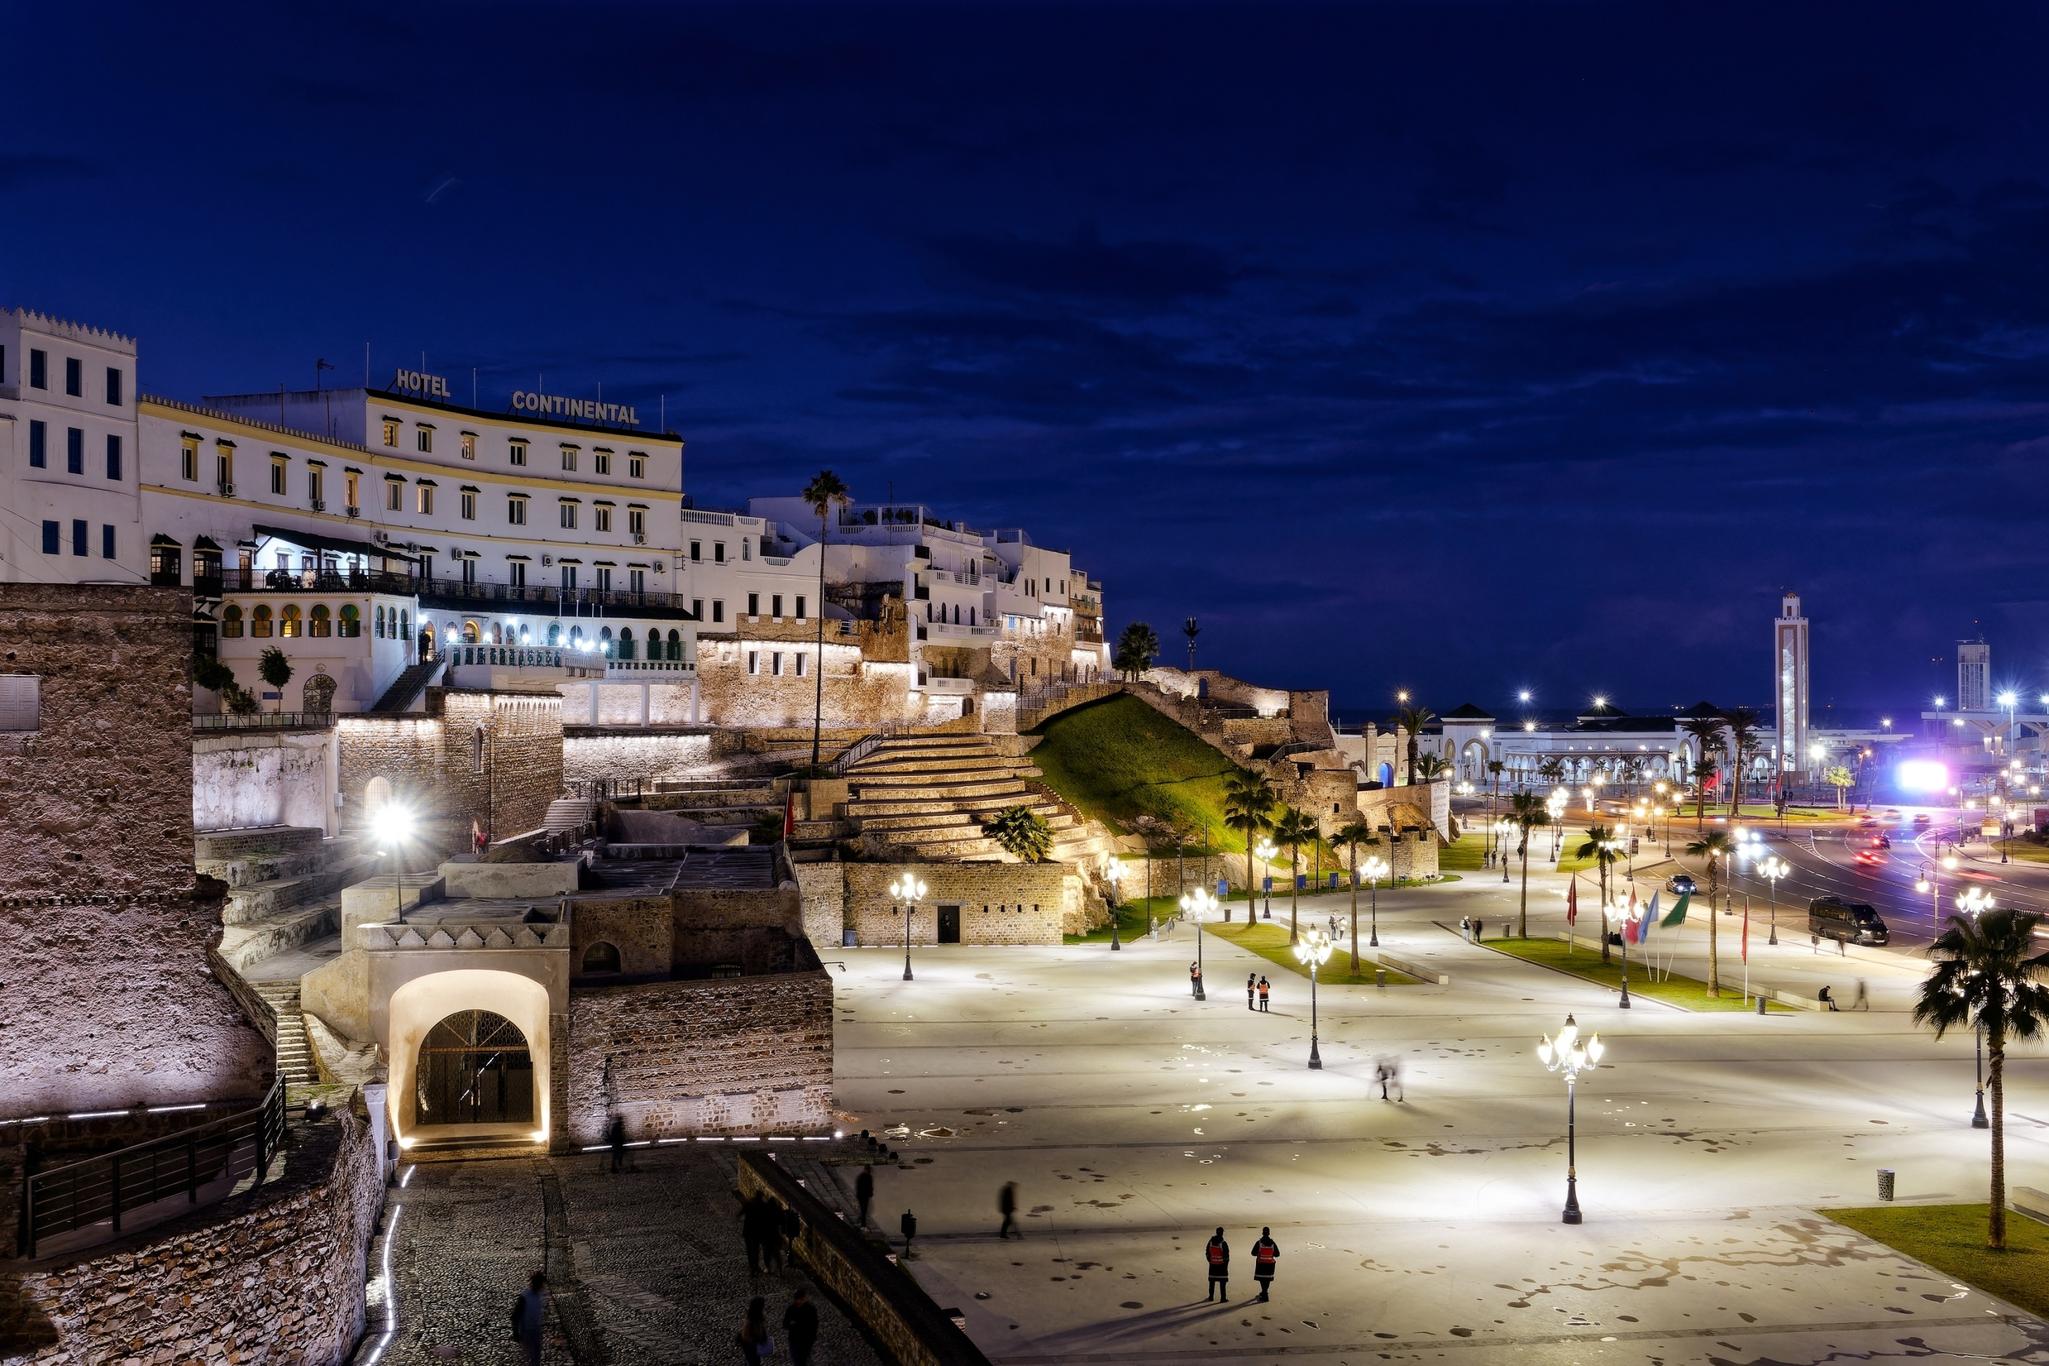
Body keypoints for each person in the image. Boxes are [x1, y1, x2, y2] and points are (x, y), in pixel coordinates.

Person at [511, 1270, 547, 1366]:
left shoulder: (539, 1295)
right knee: (532, 1358)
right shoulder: (524, 1297)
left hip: (536, 1330)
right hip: (526, 1332)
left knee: (536, 1358)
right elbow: (515, 1316)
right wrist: (515, 1332)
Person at [782, 1287, 819, 1366]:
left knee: (802, 1360)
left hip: (806, 1340)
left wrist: (812, 1337)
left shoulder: (810, 1309)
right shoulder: (791, 1309)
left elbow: (814, 1324)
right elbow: (785, 1324)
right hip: (795, 1339)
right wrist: (792, 1325)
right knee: (798, 1360)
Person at [737, 1295, 773, 1363]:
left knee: (756, 1361)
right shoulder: (750, 1319)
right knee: (753, 1361)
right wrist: (755, 1341)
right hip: (750, 1345)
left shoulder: (758, 1316)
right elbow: (745, 1335)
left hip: (754, 1344)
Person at [1251, 1227, 1280, 1301]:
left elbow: (1253, 1253)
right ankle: (1264, 1292)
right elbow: (1277, 1254)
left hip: (1261, 1264)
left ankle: (1265, 1294)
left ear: (1262, 1233)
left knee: (1262, 1279)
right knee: (1267, 1279)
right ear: (1269, 1233)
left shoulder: (1259, 1243)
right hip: (1270, 1265)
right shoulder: (1273, 1243)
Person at [1204, 1227, 1230, 1301]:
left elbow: (1207, 1252)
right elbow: (1226, 1256)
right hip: (1222, 1266)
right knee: (1222, 1282)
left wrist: (1210, 1260)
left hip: (1212, 1265)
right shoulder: (1223, 1243)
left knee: (1212, 1282)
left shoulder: (1211, 1242)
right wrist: (1226, 1265)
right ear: (1222, 1233)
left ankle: (1211, 1297)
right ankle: (1223, 1298)